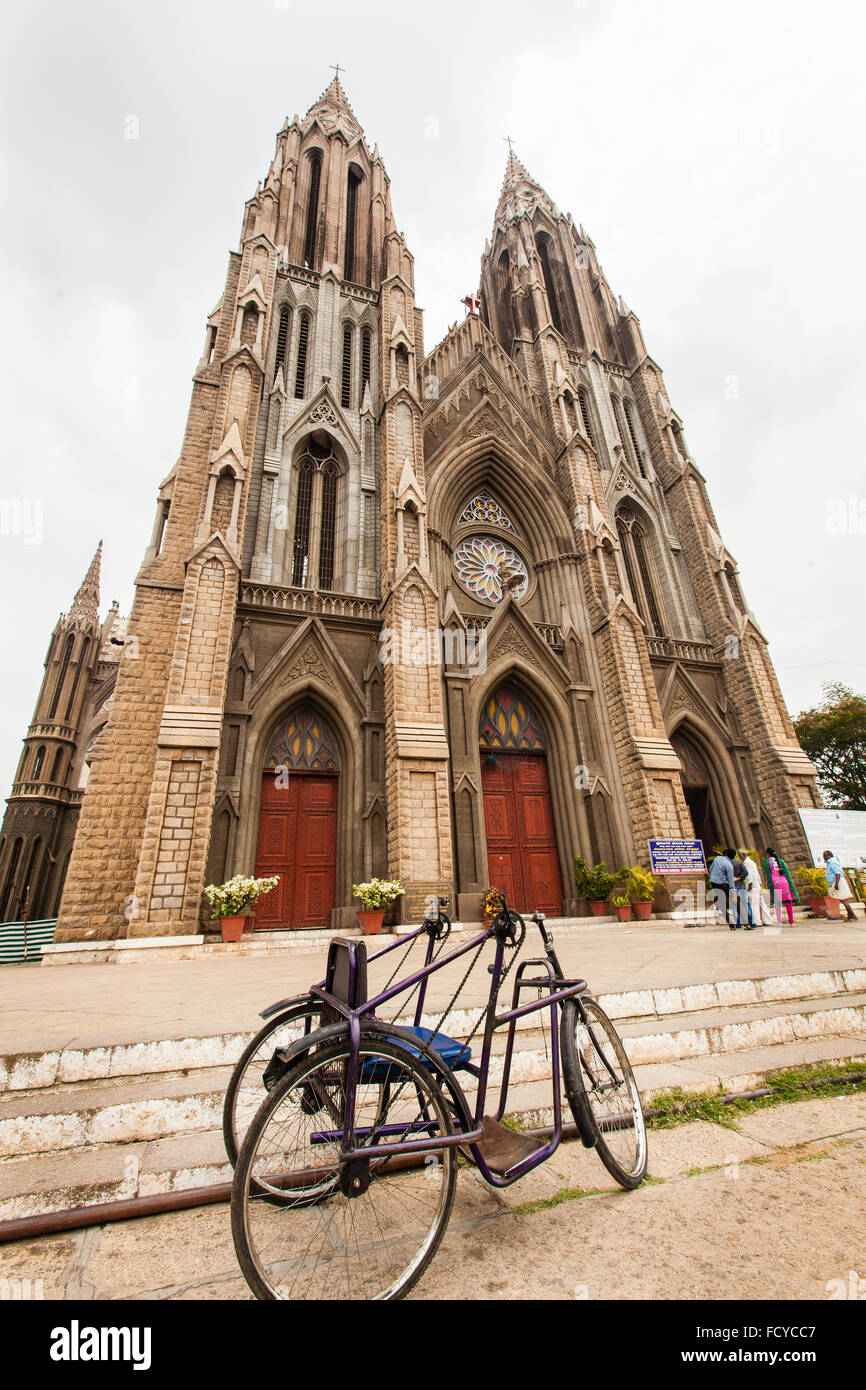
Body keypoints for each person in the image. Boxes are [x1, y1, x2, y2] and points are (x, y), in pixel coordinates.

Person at [763, 846, 799, 926]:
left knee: (777, 903)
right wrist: (791, 885)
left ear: (768, 854)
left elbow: (767, 875)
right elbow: (787, 873)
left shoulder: (767, 861)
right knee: (788, 903)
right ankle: (791, 922)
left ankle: (779, 922)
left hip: (775, 883)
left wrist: (768, 886)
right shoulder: (780, 861)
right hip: (784, 882)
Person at [823, 850, 857, 922]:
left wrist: (836, 884)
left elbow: (838, 873)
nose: (824, 857)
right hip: (836, 882)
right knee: (842, 899)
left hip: (839, 882)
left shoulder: (833, 862)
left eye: (824, 856)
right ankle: (851, 915)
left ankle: (852, 915)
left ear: (828, 856)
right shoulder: (830, 863)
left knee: (843, 899)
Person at [741, 850, 768, 929]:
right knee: (762, 904)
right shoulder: (752, 862)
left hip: (752, 886)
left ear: (743, 855)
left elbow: (750, 875)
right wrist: (760, 883)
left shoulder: (746, 863)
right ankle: (768, 920)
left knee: (754, 904)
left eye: (740, 855)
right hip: (757, 885)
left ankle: (757, 921)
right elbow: (757, 873)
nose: (740, 857)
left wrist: (750, 885)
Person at [709, 848, 736, 928]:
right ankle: (745, 922)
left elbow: (711, 869)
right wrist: (733, 893)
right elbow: (731, 880)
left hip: (714, 882)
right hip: (723, 884)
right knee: (735, 902)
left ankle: (731, 924)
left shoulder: (717, 858)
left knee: (721, 904)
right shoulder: (729, 865)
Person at [732, 853, 754, 929]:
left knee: (735, 905)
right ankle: (751, 922)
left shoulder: (727, 864)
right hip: (741, 885)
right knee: (746, 904)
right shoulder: (739, 862)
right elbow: (746, 873)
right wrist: (740, 878)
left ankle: (738, 923)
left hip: (733, 886)